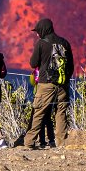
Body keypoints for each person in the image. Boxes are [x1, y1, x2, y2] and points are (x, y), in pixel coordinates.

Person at [27, 18, 73, 148]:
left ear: (43, 30)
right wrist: (65, 80)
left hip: (46, 84)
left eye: (38, 31)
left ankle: (29, 142)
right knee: (61, 113)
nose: (37, 34)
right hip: (63, 84)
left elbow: (33, 63)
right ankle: (61, 143)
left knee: (39, 112)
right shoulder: (65, 43)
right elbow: (71, 66)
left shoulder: (41, 43)